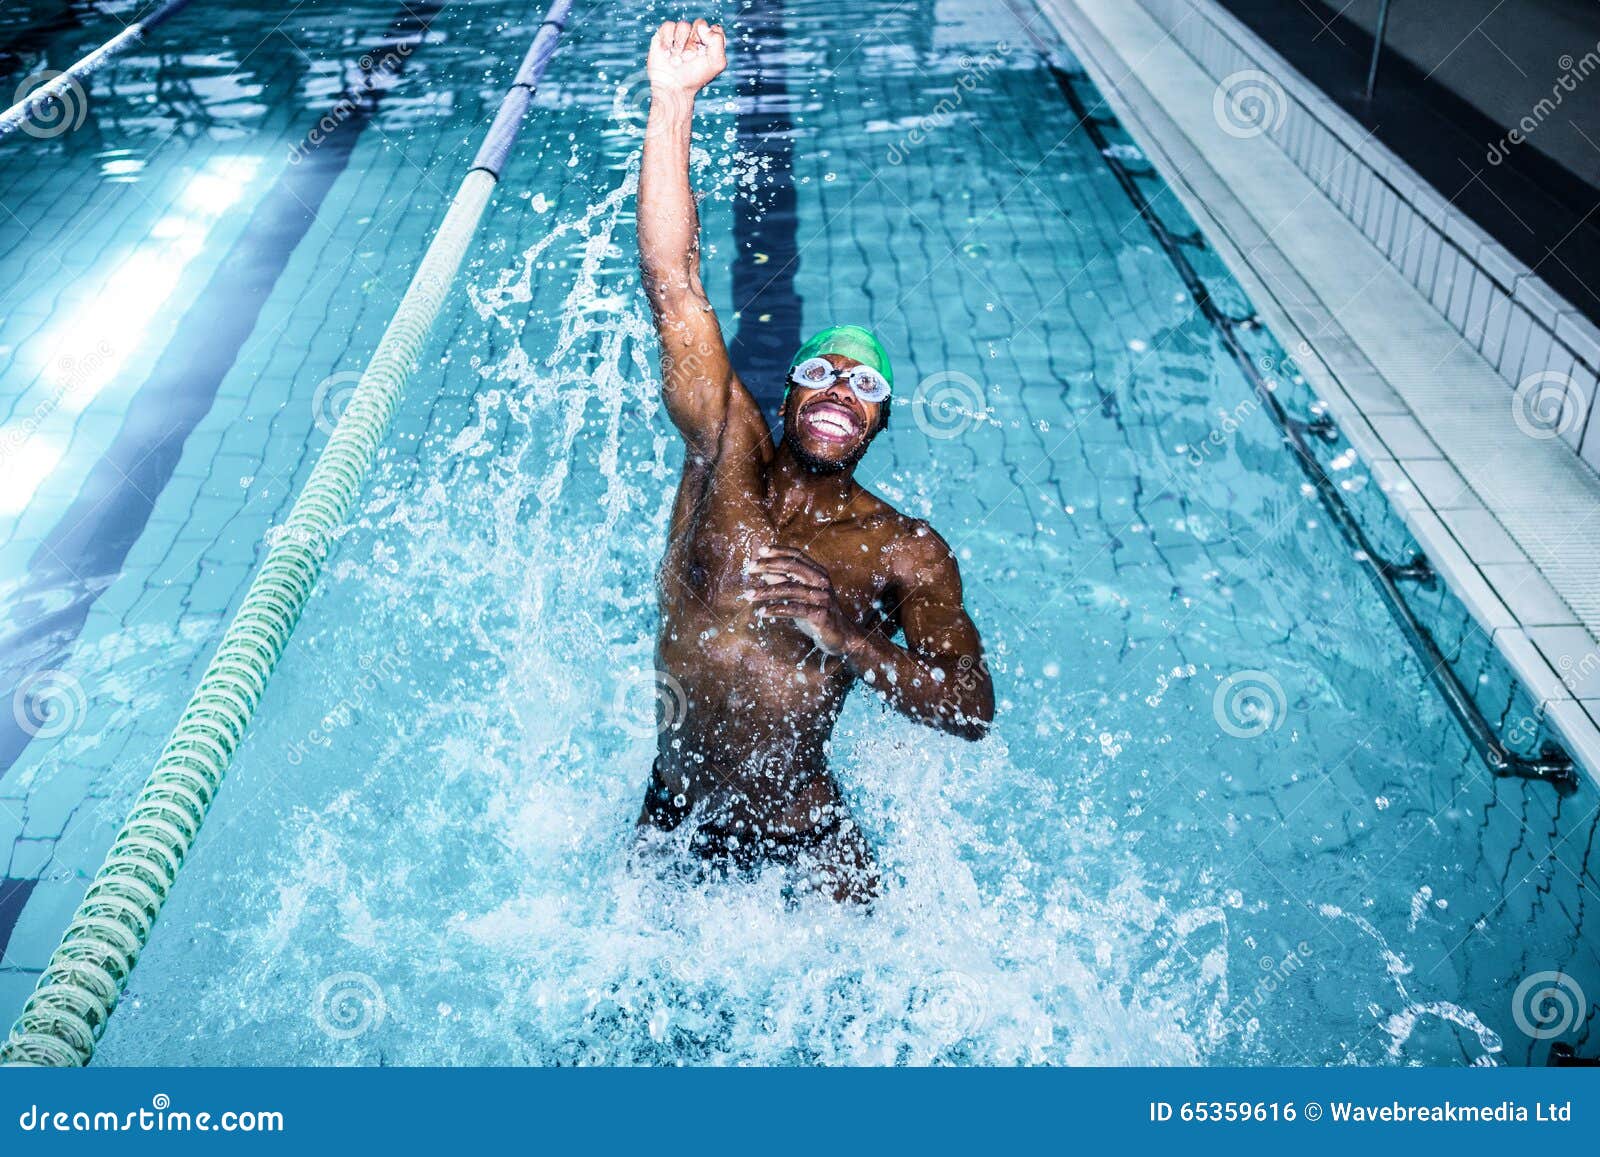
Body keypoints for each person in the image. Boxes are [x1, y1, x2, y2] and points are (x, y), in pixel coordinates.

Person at [633, 18, 994, 902]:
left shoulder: (908, 549)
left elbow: (970, 708)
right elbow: (674, 285)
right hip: (673, 821)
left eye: (863, 382)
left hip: (804, 833)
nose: (839, 386)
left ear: (879, 422)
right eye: (820, 371)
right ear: (788, 397)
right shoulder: (726, 450)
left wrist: (847, 634)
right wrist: (673, 101)